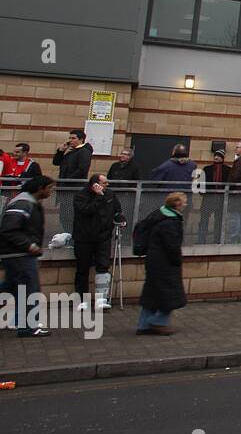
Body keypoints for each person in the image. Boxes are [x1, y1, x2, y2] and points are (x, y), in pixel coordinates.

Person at [0, 176, 56, 336]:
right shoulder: (23, 203)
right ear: (40, 188)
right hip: (19, 254)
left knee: (11, 287)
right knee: (30, 289)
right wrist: (29, 245)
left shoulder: (30, 203)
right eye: (49, 188)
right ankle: (28, 327)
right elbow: (9, 229)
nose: (50, 192)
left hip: (17, 254)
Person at [135, 191, 188, 336]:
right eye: (183, 202)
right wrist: (177, 260)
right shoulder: (170, 222)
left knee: (152, 294)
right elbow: (172, 246)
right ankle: (158, 322)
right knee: (169, 295)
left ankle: (143, 324)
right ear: (177, 204)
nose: (185, 204)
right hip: (164, 263)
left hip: (153, 260)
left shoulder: (158, 215)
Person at [72, 173, 124, 310]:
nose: (107, 185)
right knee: (82, 268)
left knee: (103, 266)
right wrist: (98, 197)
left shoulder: (110, 194)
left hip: (103, 237)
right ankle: (81, 299)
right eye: (104, 183)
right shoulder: (81, 196)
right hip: (84, 238)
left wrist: (119, 217)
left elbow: (117, 209)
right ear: (95, 184)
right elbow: (86, 211)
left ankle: (102, 298)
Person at [52, 128, 93, 233]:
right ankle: (68, 233)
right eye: (70, 138)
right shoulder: (71, 152)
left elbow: (82, 169)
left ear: (81, 139)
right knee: (64, 215)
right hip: (65, 188)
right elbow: (56, 162)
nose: (70, 140)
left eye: (73, 138)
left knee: (70, 215)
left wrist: (67, 180)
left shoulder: (84, 152)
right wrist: (61, 151)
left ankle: (72, 235)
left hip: (73, 188)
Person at [196, 150, 229, 245]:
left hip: (221, 199)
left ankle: (217, 240)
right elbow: (199, 183)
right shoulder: (207, 169)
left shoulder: (227, 170)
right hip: (208, 198)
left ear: (222, 158)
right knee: (204, 220)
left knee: (219, 221)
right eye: (215, 156)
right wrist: (204, 193)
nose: (216, 158)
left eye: (218, 156)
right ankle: (201, 240)